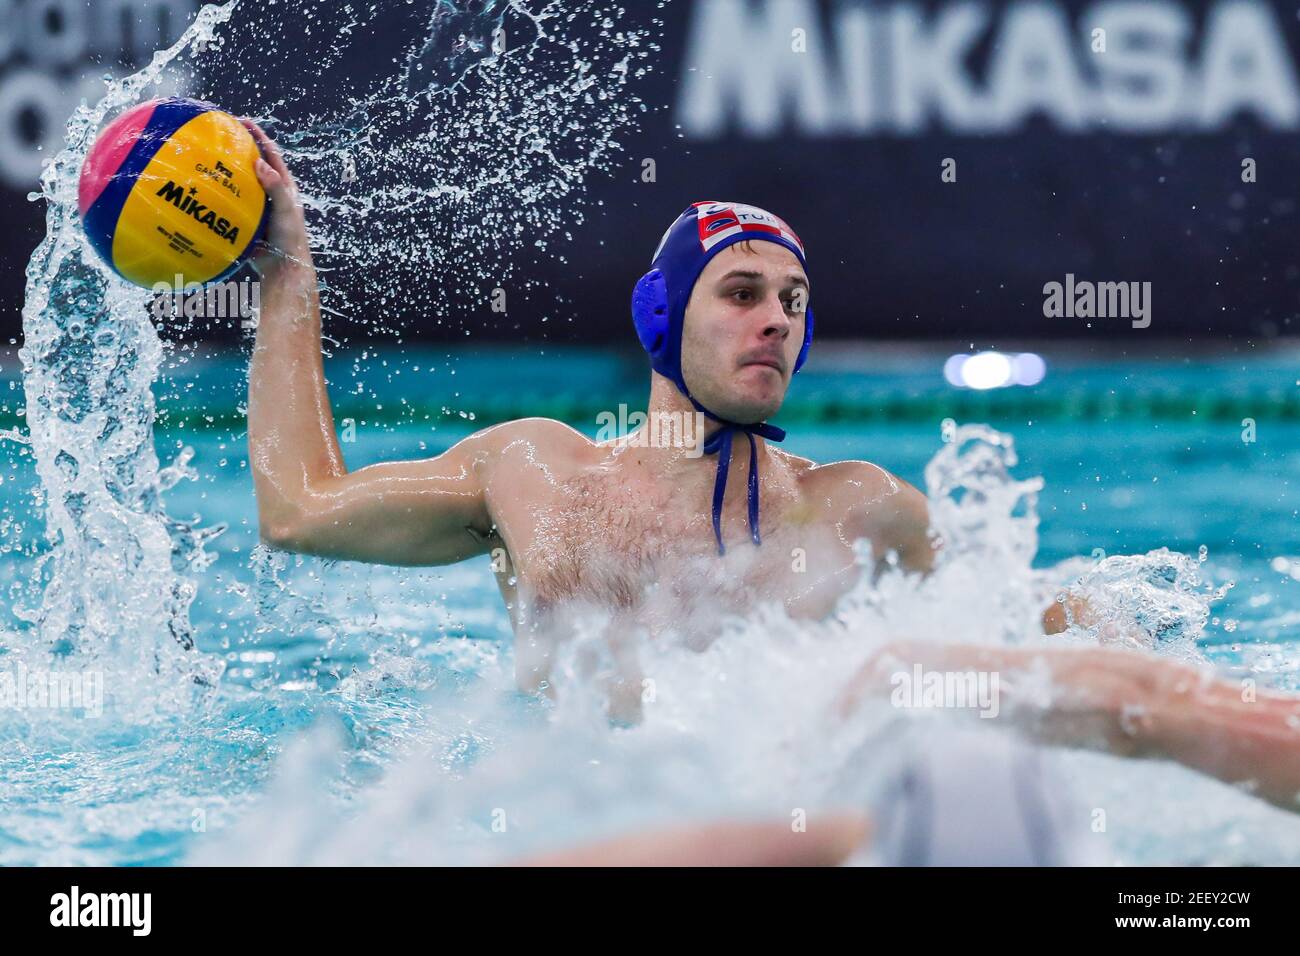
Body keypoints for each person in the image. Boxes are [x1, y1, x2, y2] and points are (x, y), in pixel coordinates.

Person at [241, 121, 1300, 818]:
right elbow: (300, 508)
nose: (774, 323)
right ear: (662, 318)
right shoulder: (534, 472)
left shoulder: (858, 511)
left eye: (792, 303)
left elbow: (1012, 623)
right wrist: (288, 269)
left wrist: (1108, 631)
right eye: (740, 292)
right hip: (571, 817)